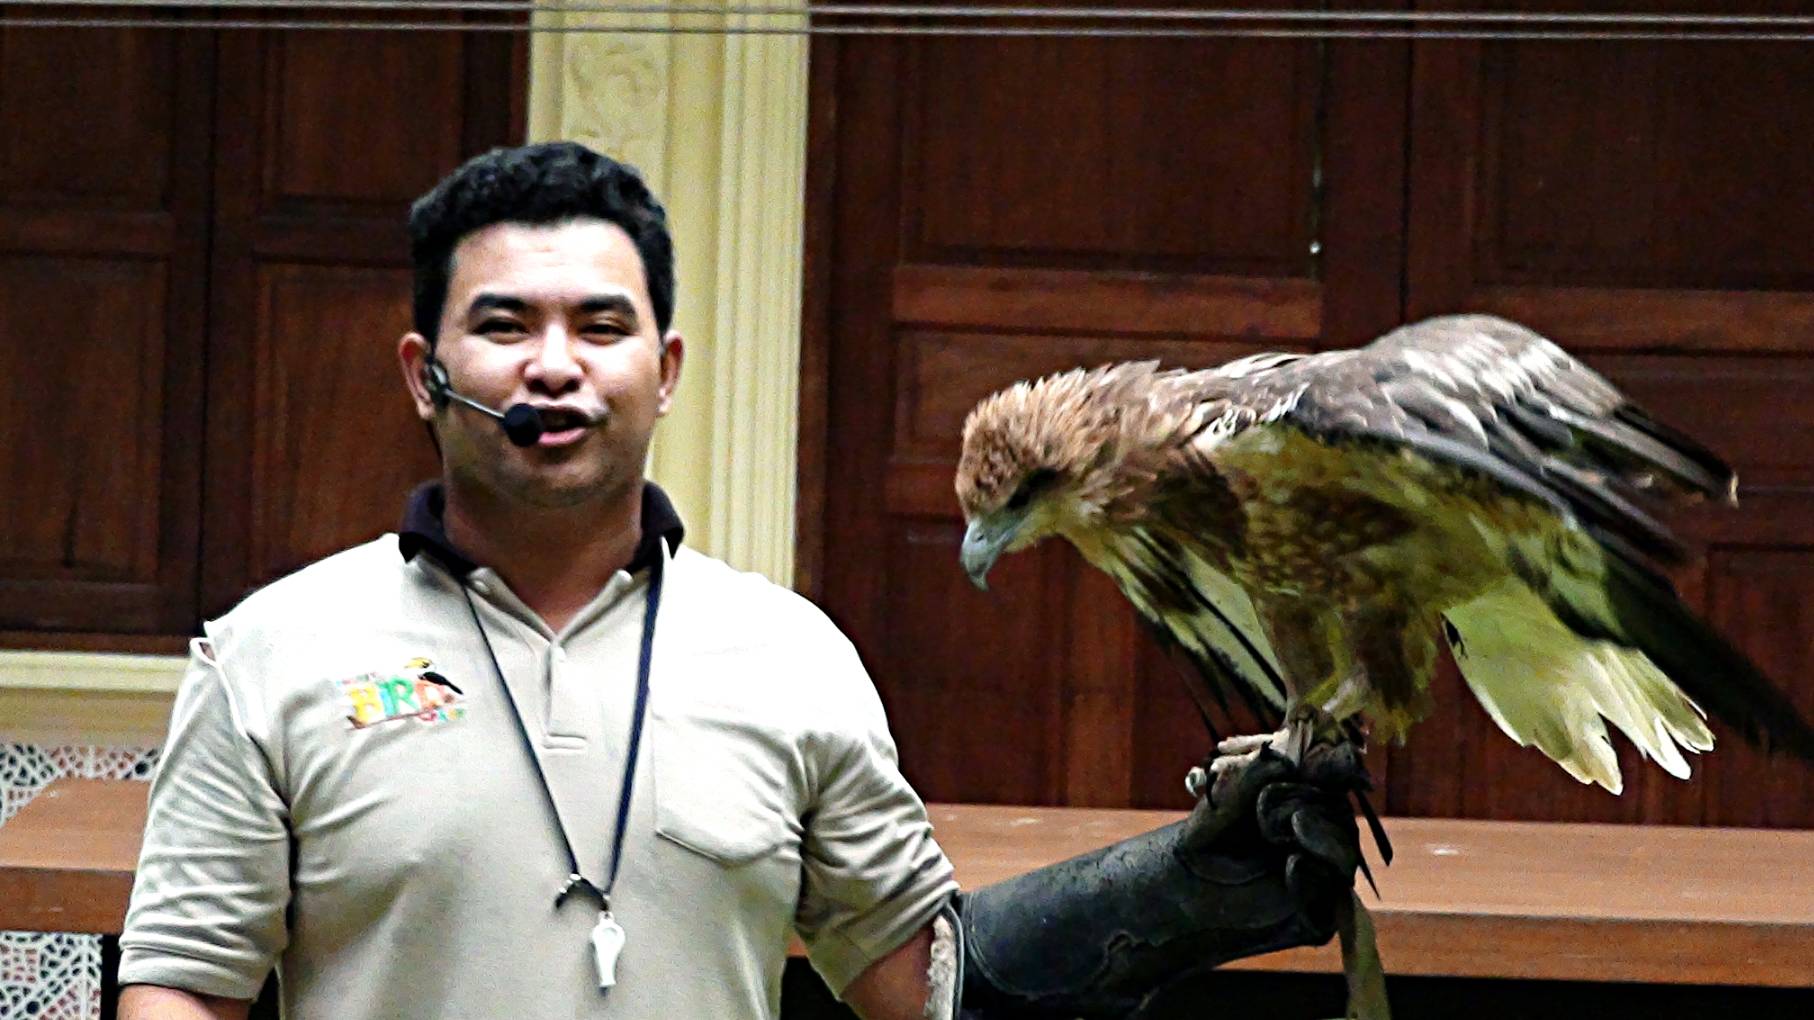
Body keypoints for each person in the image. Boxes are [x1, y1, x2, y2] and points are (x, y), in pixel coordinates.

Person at [117, 142, 1363, 1020]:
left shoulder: (790, 655)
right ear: (419, 372)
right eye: (502, 328)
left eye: (600, 330)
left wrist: (1167, 897)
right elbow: (180, 983)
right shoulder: (271, 655)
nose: (554, 368)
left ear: (663, 371)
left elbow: (927, 987)